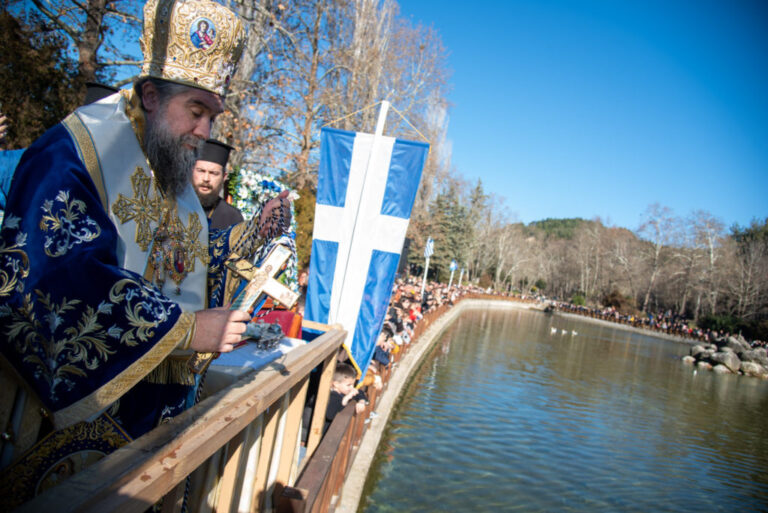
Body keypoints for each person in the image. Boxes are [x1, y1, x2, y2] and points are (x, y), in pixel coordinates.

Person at [0, 0, 257, 454]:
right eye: (196, 110)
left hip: (150, 421)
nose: (203, 130)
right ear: (151, 96)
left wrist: (245, 239)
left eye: (212, 117)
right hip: (70, 427)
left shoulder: (167, 162)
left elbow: (172, 263)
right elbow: (51, 278)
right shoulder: (72, 154)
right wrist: (185, 331)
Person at [193, 138, 244, 230]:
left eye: (213, 173)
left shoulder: (232, 217)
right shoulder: (173, 204)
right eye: (201, 171)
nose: (206, 179)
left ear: (224, 177)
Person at [324, 363, 367, 433]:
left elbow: (359, 392)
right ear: (336, 384)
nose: (352, 387)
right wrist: (345, 399)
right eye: (349, 385)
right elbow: (330, 415)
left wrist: (361, 401)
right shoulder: (331, 395)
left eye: (353, 384)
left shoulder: (344, 391)